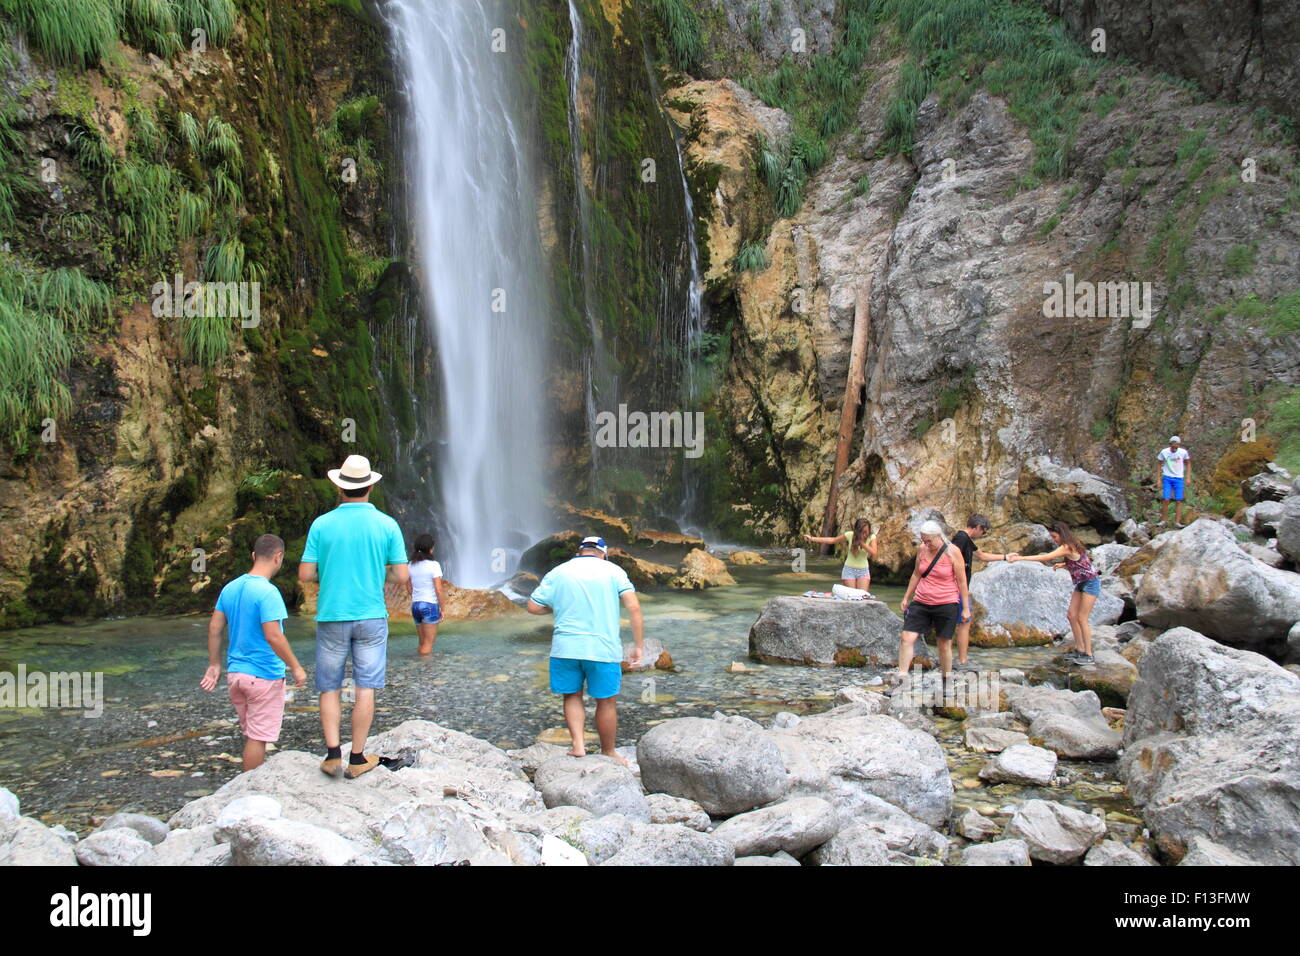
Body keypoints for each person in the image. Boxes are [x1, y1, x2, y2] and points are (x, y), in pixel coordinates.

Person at [298, 455, 410, 779]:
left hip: (332, 615)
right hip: (372, 616)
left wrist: (331, 573)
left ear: (339, 487)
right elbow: (402, 576)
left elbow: (305, 574)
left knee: (329, 687)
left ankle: (333, 754)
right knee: (365, 687)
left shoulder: (321, 524)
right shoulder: (387, 524)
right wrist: (378, 573)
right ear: (371, 486)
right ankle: (358, 757)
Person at [526, 536, 644, 763]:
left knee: (572, 695)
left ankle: (578, 745)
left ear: (580, 552)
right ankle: (608, 751)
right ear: (603, 553)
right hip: (603, 648)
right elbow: (634, 607)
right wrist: (638, 646)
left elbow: (533, 606)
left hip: (565, 648)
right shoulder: (614, 571)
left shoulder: (559, 571)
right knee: (606, 701)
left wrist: (557, 610)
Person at [201, 534, 307, 771]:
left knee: (251, 732)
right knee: (258, 738)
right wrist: (296, 666)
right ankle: (249, 790)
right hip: (263, 675)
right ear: (278, 558)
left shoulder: (230, 588)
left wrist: (214, 664)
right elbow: (273, 636)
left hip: (236, 675)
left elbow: (215, 627)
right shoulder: (268, 593)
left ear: (253, 556)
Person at [1008, 521, 1099, 665]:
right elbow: (1082, 559)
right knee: (1071, 615)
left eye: (1054, 536)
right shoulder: (1072, 543)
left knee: (1082, 618)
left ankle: (1088, 654)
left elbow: (1046, 557)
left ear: (1061, 534)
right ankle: (1080, 649)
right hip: (1081, 583)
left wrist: (1021, 558)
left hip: (1091, 583)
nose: (1053, 540)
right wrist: (1065, 564)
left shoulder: (1067, 546)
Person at [896, 520, 969, 682]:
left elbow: (962, 581)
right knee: (907, 637)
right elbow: (916, 574)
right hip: (921, 601)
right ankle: (902, 676)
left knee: (943, 643)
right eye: (923, 540)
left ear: (938, 537)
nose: (926, 544)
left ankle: (946, 678)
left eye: (929, 540)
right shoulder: (922, 550)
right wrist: (906, 597)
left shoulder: (953, 552)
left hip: (946, 602)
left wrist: (965, 607)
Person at [949, 514, 1016, 672]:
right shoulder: (961, 539)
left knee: (961, 622)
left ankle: (959, 659)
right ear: (978, 527)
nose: (982, 535)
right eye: (983, 532)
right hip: (957, 587)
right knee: (964, 622)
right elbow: (951, 560)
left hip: (958, 587)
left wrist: (1006, 557)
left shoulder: (964, 538)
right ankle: (962, 661)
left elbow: (982, 556)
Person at [804, 517, 878, 591]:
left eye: (866, 532)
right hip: (849, 570)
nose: (865, 534)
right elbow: (833, 540)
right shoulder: (850, 535)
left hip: (863, 571)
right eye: (862, 532)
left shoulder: (872, 537)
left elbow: (874, 552)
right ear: (857, 531)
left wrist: (862, 544)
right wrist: (812, 538)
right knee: (851, 595)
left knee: (862, 595)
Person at [407, 533, 445, 655]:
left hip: (415, 605)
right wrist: (442, 609)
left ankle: (419, 671)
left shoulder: (411, 565)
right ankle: (425, 670)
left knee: (422, 642)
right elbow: (438, 590)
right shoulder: (434, 565)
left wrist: (415, 598)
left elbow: (408, 586)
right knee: (428, 643)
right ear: (430, 548)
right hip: (429, 605)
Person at [1157, 435, 1191, 526]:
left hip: (1179, 478)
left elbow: (1188, 463)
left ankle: (1177, 522)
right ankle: (1164, 520)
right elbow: (1159, 464)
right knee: (1166, 499)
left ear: (1179, 445)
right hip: (1167, 477)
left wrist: (1188, 477)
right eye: (1172, 447)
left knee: (1179, 500)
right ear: (1169, 445)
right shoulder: (1164, 452)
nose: (1174, 449)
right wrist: (1159, 479)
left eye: (1176, 447)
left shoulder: (1183, 452)